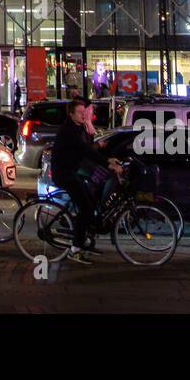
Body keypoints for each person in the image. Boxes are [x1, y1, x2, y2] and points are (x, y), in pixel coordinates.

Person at [50, 97, 123, 263]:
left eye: (85, 112)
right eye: (80, 113)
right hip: (64, 174)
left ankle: (84, 240)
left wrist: (108, 160)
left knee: (91, 203)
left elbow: (89, 147)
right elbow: (86, 150)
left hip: (73, 171)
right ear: (71, 114)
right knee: (86, 209)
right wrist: (108, 164)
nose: (84, 115)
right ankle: (75, 249)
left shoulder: (78, 127)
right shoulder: (69, 130)